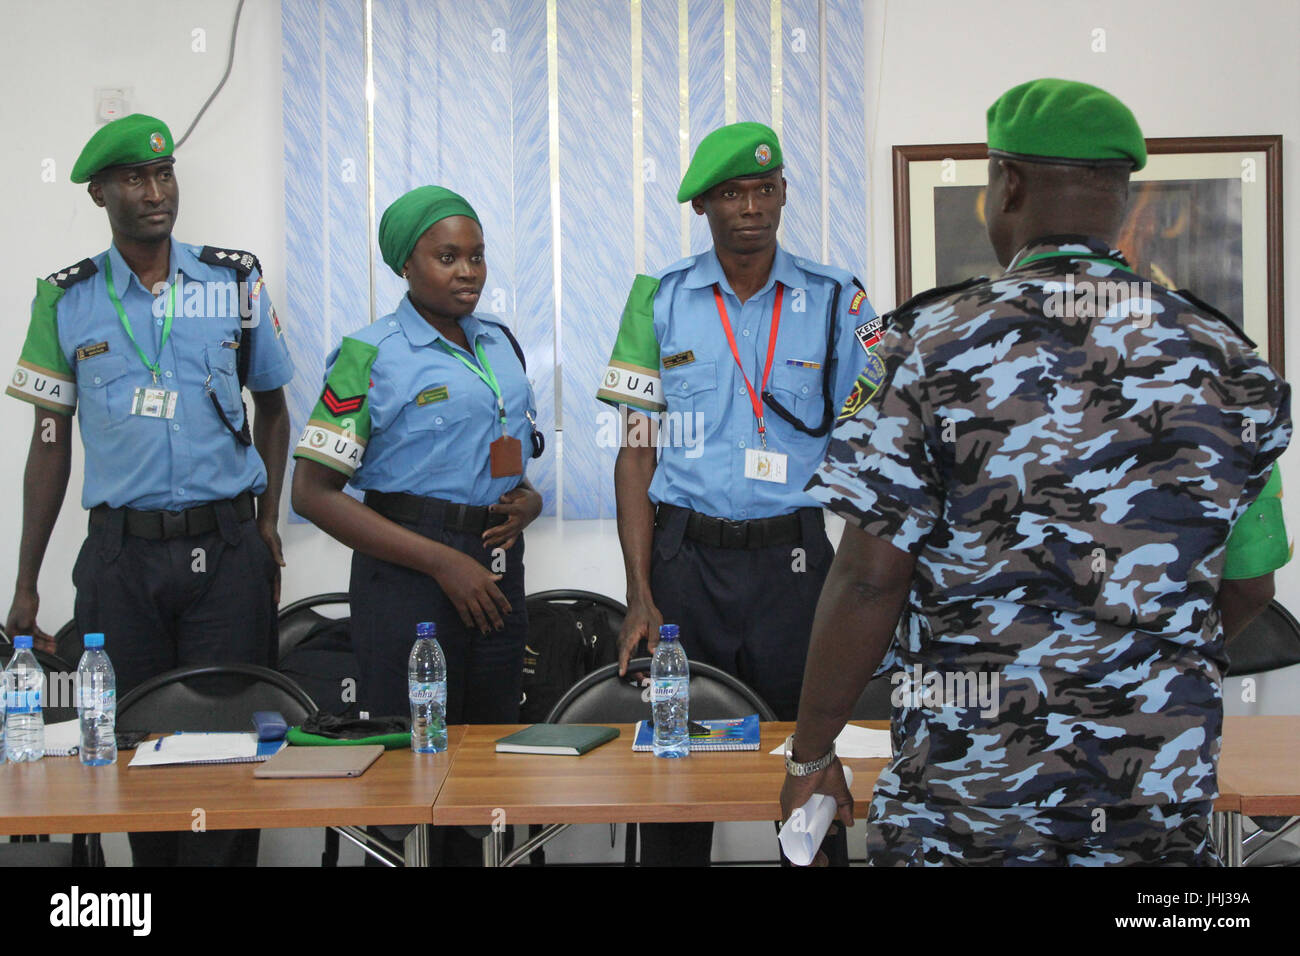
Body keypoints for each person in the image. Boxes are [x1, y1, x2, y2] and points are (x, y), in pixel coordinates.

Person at [779, 78, 1291, 866]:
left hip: (969, 805)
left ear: (1007, 184)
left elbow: (871, 579)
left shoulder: (926, 346)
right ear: (1120, 199)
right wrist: (1137, 667)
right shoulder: (1228, 362)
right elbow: (1254, 583)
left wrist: (812, 756)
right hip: (1151, 797)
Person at [5, 113, 293, 866]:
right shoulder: (64, 301)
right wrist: (26, 584)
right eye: (134, 178)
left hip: (226, 554)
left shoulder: (234, 281)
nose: (156, 191)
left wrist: (267, 523)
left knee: (232, 754)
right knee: (129, 753)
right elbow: (48, 445)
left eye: (165, 175)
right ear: (101, 192)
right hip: (122, 563)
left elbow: (274, 405)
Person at [598, 121, 875, 866]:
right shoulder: (657, 301)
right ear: (703, 208)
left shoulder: (838, 301)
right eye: (732, 193)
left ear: (783, 193)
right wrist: (639, 593)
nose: (751, 205)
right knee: (674, 776)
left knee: (811, 771)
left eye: (764, 188)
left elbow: (880, 440)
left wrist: (867, 576)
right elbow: (633, 454)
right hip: (685, 563)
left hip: (795, 561)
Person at [292, 185, 542, 865]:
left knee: (483, 764)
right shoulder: (369, 354)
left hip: (494, 566)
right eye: (448, 256)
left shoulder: (501, 343)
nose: (469, 271)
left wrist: (527, 499)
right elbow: (312, 493)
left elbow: (508, 445)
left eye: (478, 255)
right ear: (407, 264)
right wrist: (440, 562)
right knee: (407, 768)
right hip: (408, 575)